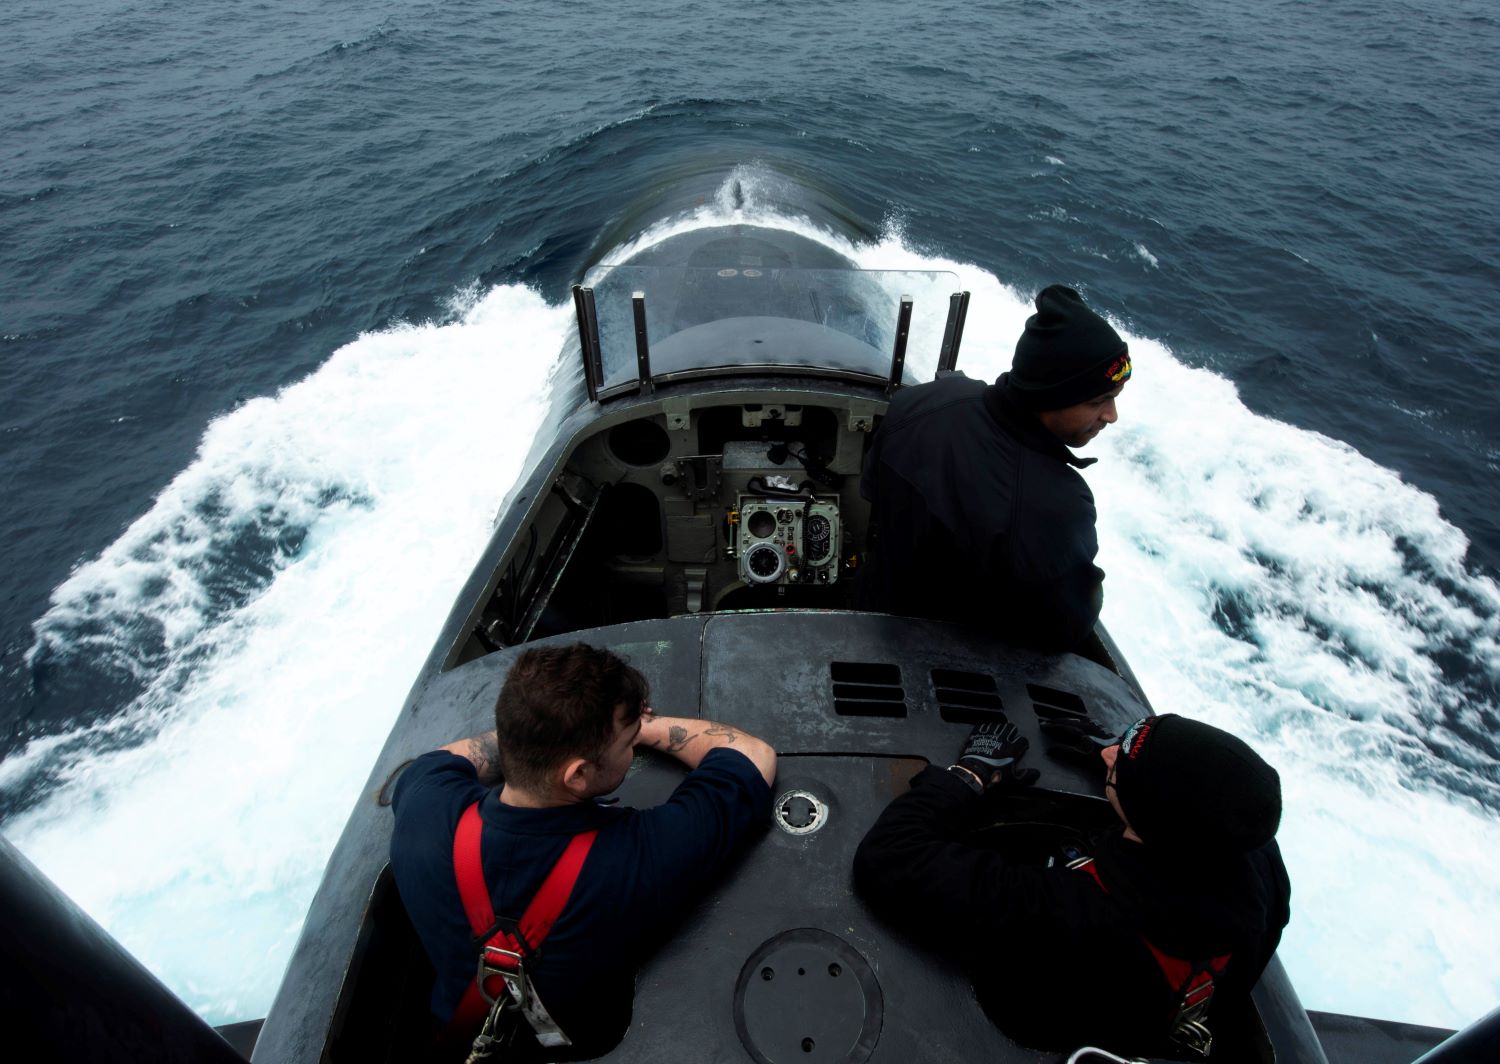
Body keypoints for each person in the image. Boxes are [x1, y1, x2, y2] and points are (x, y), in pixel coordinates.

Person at [389, 642, 776, 1060]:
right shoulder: (639, 859)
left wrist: (540, 735)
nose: (633, 744)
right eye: (627, 741)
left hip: (461, 1033)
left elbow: (450, 756)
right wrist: (648, 727)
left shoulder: (424, 808)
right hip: (587, 1044)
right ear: (577, 775)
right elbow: (753, 755)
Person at [853, 714, 1290, 1060]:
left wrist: (969, 775)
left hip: (1043, 1012)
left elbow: (890, 856)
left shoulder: (1066, 913)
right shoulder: (1261, 865)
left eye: (1120, 762)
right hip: (1149, 1013)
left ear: (1155, 824)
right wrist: (1129, 762)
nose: (1109, 755)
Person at [858, 284, 1131, 650]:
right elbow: (1068, 625)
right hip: (951, 662)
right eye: (1100, 401)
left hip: (871, 620)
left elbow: (871, 493)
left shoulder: (917, 403)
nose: (1111, 415)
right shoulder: (1058, 503)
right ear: (1050, 394)